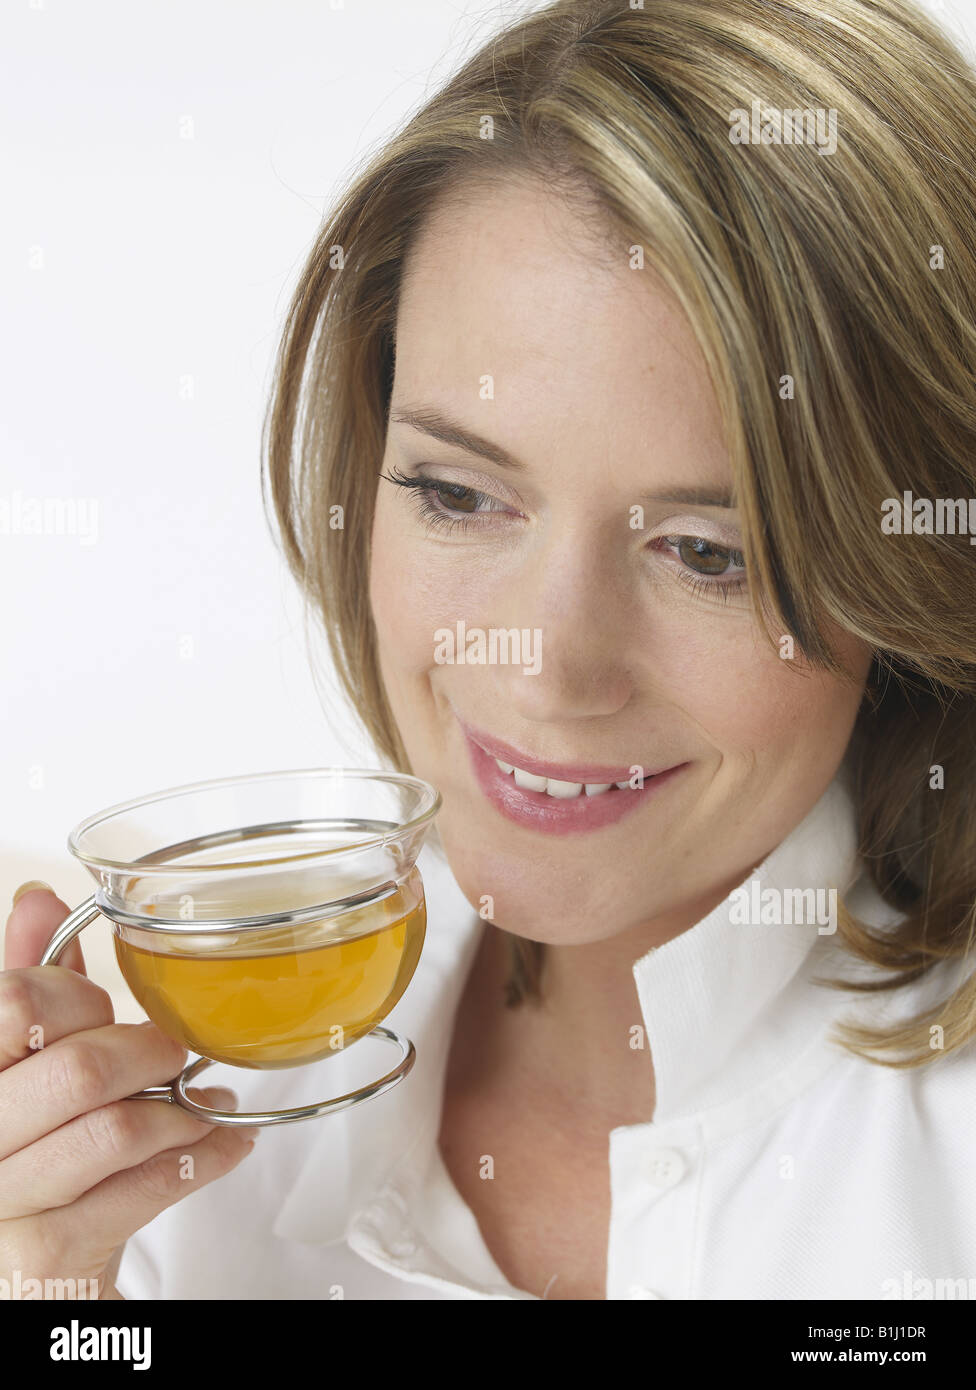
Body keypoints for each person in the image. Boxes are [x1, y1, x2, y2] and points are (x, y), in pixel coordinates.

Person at [4, 0, 976, 1301]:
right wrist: (63, 1304)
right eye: (460, 494)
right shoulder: (173, 1091)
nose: (542, 667)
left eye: (707, 551)